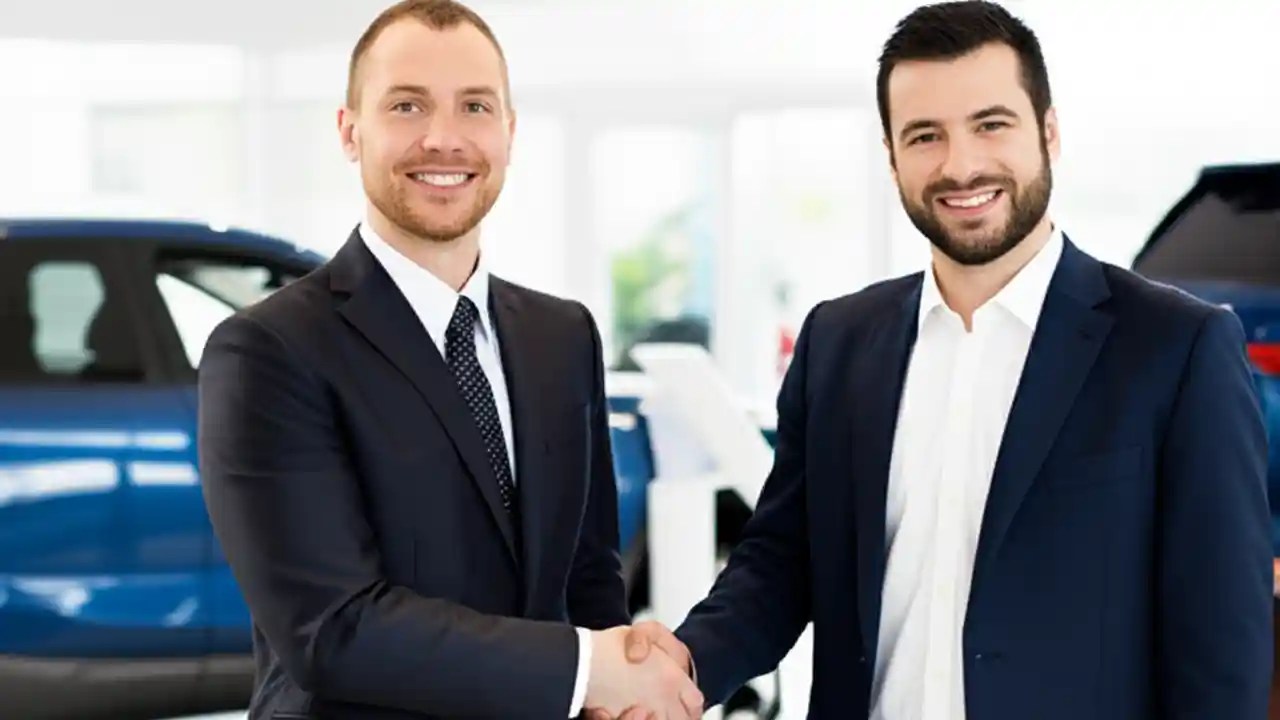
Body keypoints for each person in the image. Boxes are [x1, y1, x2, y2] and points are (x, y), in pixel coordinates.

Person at [620, 1, 1273, 718]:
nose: (961, 165)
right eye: (925, 135)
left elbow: (1221, 648)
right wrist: (684, 667)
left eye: (991, 125)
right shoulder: (839, 342)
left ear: (1048, 133)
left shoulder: (1176, 348)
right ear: (892, 155)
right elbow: (782, 563)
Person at [197, 1, 701, 718]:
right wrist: (593, 669)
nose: (444, 138)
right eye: (406, 106)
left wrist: (623, 676)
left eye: (475, 107)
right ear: (350, 131)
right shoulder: (269, 351)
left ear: (509, 131)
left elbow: (589, 582)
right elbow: (333, 629)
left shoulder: (562, 337)